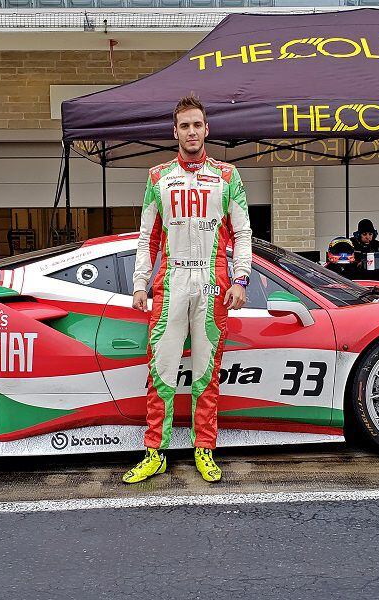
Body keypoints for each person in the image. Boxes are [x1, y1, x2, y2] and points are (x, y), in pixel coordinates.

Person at [123, 95, 252, 485]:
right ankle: (154, 452)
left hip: (214, 282)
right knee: (160, 370)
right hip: (173, 281)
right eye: (184, 126)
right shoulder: (157, 177)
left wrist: (241, 278)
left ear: (206, 129)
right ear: (174, 131)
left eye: (197, 125)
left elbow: (244, 231)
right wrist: (140, 284)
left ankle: (204, 449)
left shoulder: (227, 176)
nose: (191, 132)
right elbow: (147, 236)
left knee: (206, 372)